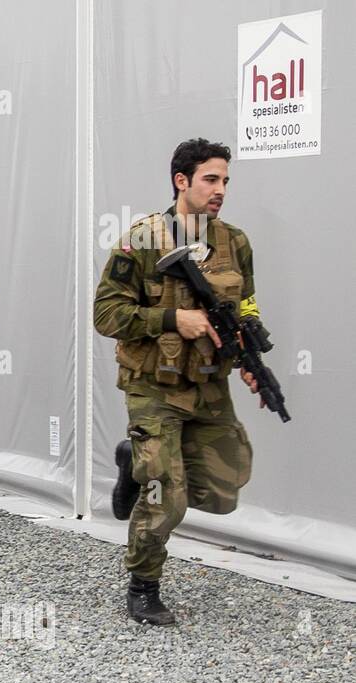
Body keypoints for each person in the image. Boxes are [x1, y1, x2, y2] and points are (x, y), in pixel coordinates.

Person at [94, 138, 262, 625]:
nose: (220, 190)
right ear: (181, 181)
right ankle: (143, 585)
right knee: (166, 493)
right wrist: (172, 319)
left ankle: (132, 464)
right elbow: (106, 314)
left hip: (210, 384)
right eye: (211, 179)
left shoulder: (236, 242)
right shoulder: (141, 239)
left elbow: (246, 305)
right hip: (154, 388)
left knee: (224, 485)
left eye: (225, 180)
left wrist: (249, 354)